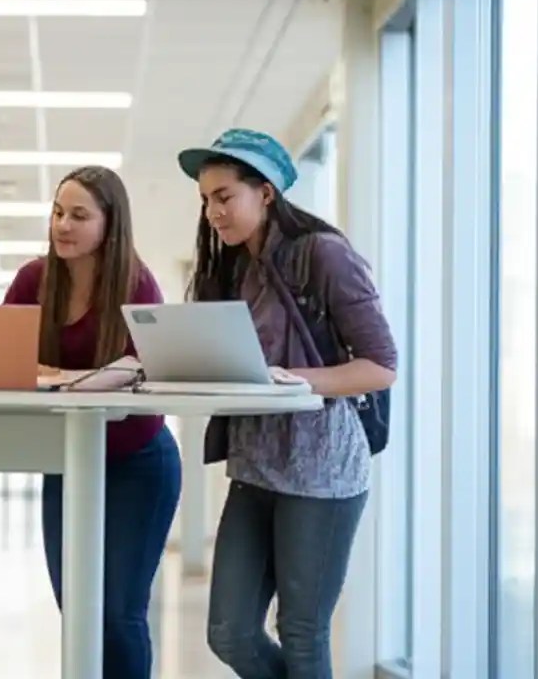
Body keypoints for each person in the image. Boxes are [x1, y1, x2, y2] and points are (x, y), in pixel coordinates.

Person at [178, 129, 397, 678]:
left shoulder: (324, 255)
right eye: (206, 200)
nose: (213, 213)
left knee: (300, 632)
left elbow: (380, 365)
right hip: (255, 467)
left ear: (267, 192)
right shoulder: (231, 269)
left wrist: (292, 381)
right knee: (228, 632)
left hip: (321, 471)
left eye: (224, 196)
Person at [3, 165, 182, 679]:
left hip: (139, 463)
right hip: (68, 460)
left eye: (79, 215)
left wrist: (55, 375)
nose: (63, 225)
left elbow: (142, 366)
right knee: (76, 609)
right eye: (59, 212)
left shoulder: (136, 283)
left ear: (110, 224)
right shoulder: (33, 280)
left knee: (119, 614)